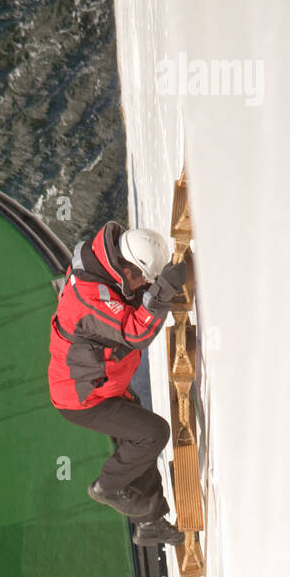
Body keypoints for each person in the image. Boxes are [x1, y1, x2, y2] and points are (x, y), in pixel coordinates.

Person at [48, 221, 187, 546]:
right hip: (84, 398)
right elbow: (136, 332)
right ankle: (107, 487)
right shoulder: (92, 297)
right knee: (152, 434)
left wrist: (156, 284)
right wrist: (163, 290)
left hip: (102, 385)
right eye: (143, 278)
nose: (144, 284)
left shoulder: (103, 267)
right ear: (126, 271)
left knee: (138, 443)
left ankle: (149, 524)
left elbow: (129, 301)